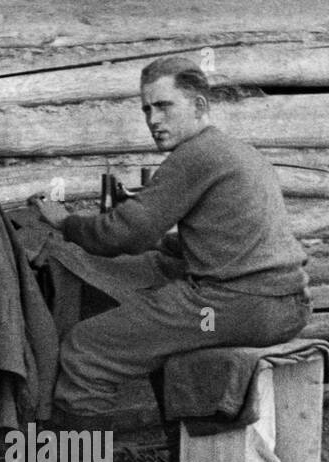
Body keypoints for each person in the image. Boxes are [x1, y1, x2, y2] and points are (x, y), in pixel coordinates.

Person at [30, 56, 312, 428]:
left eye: (164, 106)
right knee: (156, 322)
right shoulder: (239, 152)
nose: (153, 120)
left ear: (198, 106)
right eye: (147, 109)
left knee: (86, 350)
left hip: (232, 309)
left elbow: (129, 232)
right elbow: (230, 235)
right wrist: (170, 248)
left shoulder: (194, 156)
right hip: (286, 306)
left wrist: (66, 222)